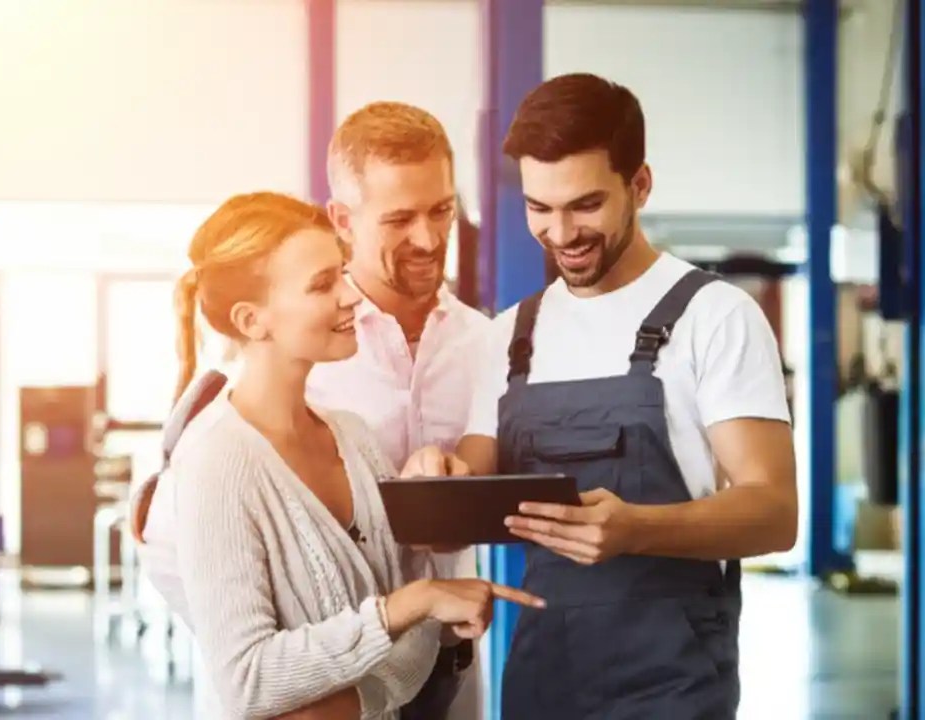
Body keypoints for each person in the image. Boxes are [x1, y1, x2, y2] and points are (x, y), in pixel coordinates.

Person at [414, 73, 798, 718]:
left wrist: (635, 529)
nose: (562, 233)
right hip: (541, 677)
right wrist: (438, 474)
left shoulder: (715, 316)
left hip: (671, 686)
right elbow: (476, 477)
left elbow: (775, 512)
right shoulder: (512, 335)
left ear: (639, 185)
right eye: (540, 208)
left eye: (585, 205)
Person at [136, 191, 543, 720]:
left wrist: (356, 700)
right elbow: (249, 680)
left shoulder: (352, 438)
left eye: (343, 274)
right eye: (323, 284)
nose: (352, 296)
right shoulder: (216, 460)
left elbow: (417, 639)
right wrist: (409, 605)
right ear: (252, 320)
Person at [306, 101, 488, 720]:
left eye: (441, 211)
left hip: (451, 669)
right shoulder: (302, 347)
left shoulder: (484, 343)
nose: (429, 239)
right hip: (331, 680)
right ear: (343, 220)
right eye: (400, 219)